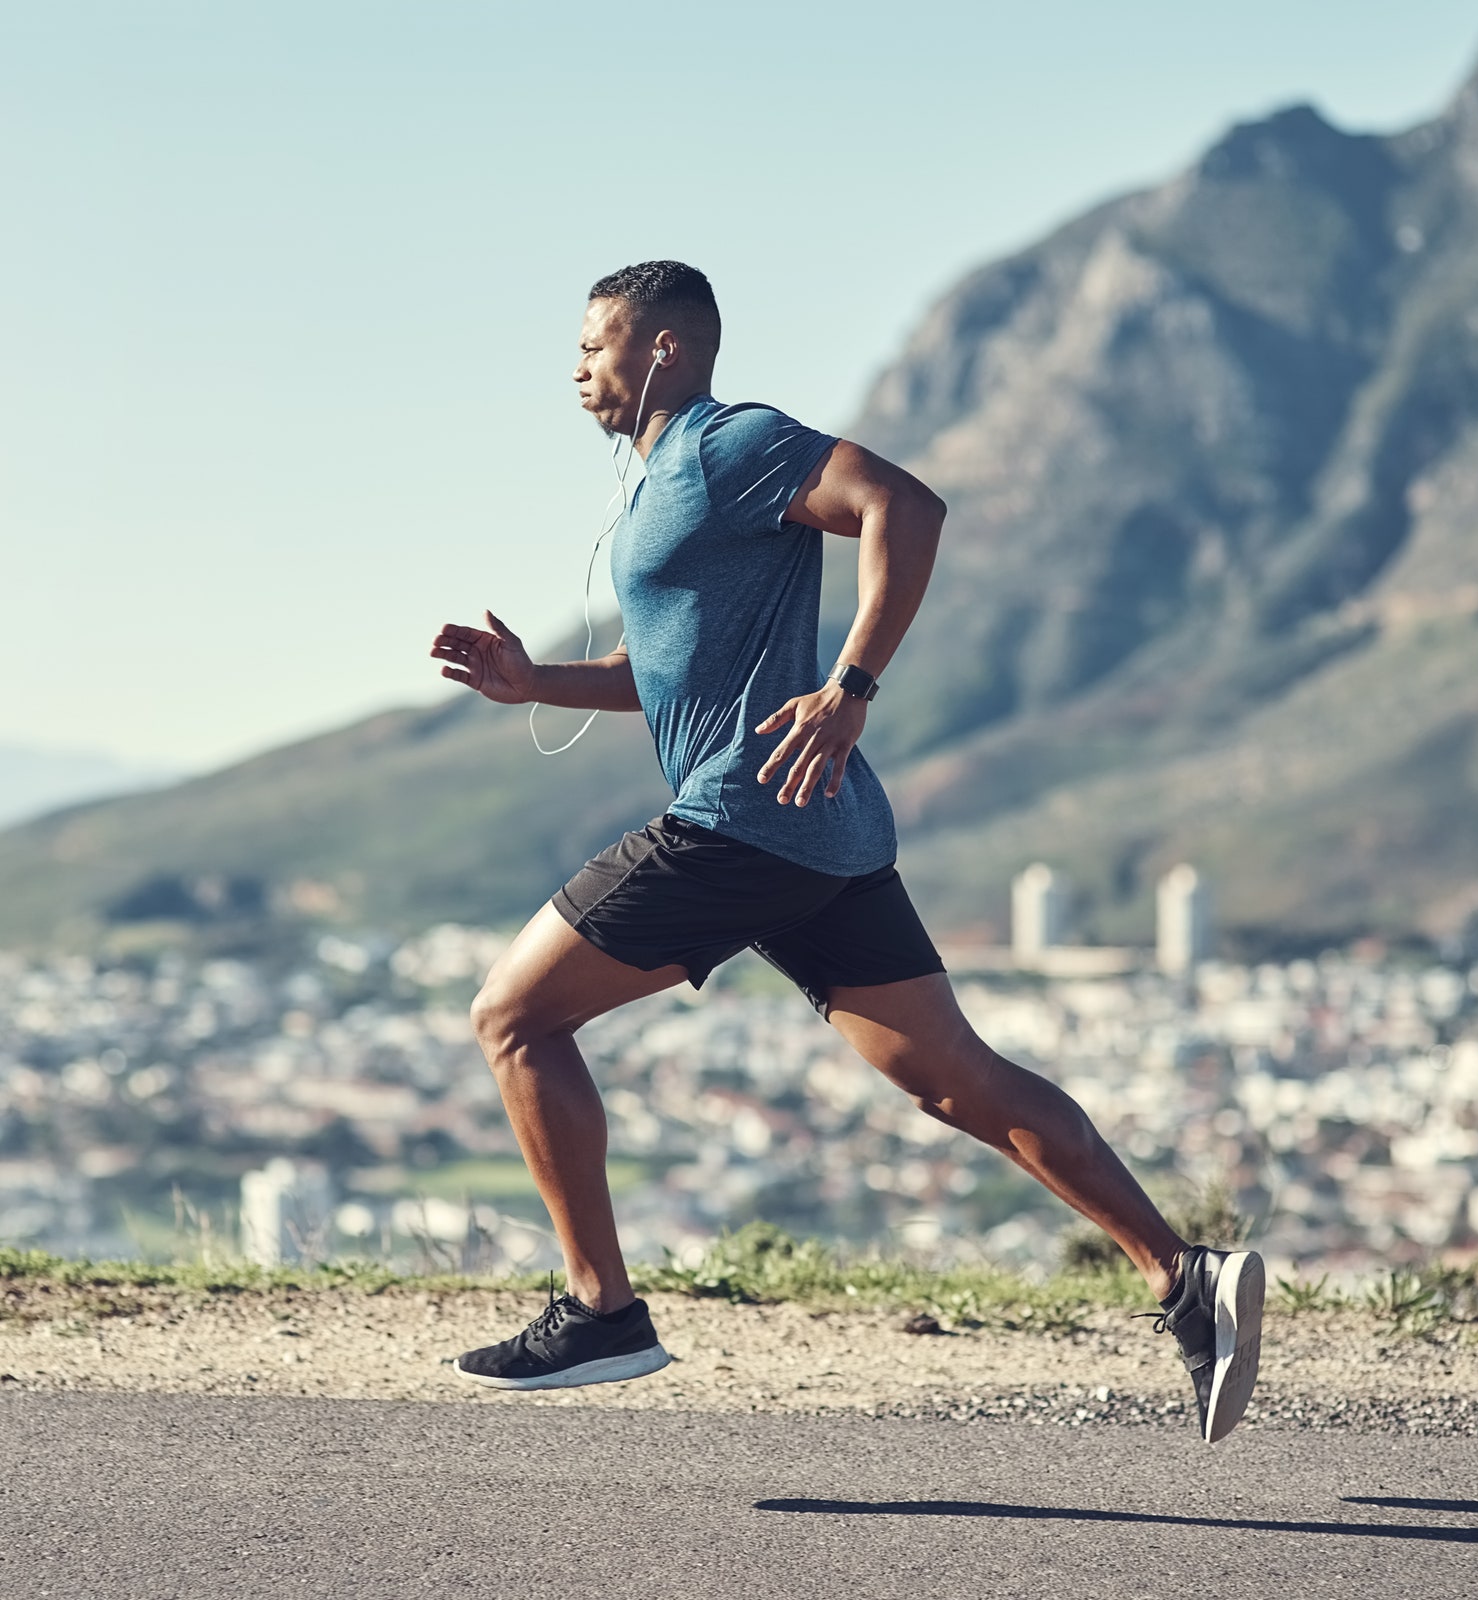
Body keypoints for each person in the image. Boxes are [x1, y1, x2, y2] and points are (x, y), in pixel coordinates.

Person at [429, 260, 1264, 1442]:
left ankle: (600, 1308)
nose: (576, 369)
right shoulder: (668, 482)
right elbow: (656, 673)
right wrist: (533, 681)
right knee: (951, 1077)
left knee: (512, 1017)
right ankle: (1187, 1281)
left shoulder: (732, 444)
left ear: (663, 347)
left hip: (744, 818)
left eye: (594, 345)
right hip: (817, 833)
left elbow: (905, 505)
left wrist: (851, 684)